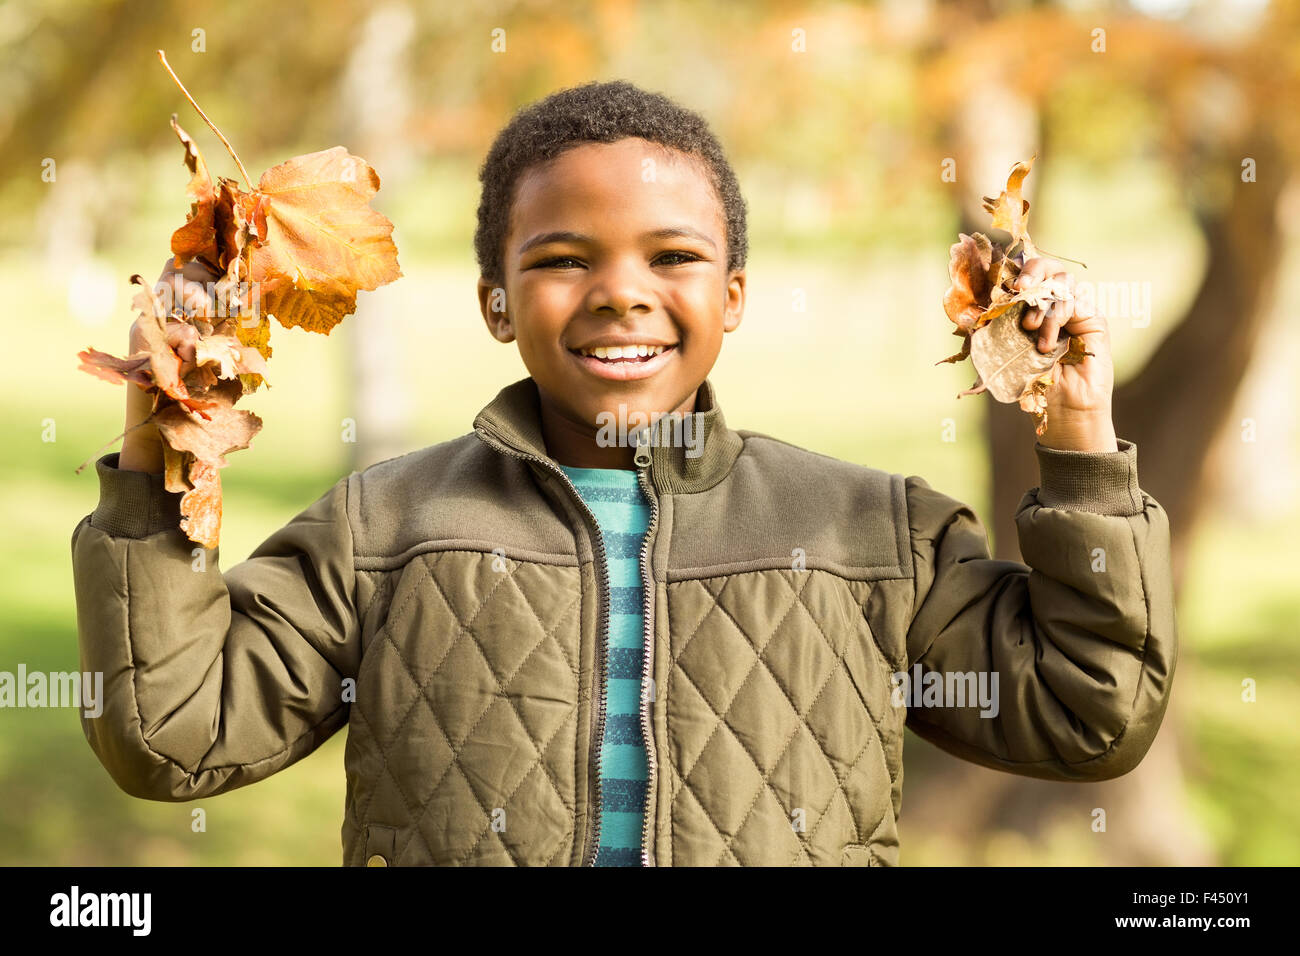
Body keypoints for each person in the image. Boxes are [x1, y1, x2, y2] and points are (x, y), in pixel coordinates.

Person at [71, 80, 1176, 866]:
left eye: (673, 256)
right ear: (496, 304)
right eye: (561, 260)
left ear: (732, 296)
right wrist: (164, 435)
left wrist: (1076, 435)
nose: (619, 292)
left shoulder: (866, 531)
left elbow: (1089, 712)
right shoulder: (384, 528)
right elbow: (171, 734)